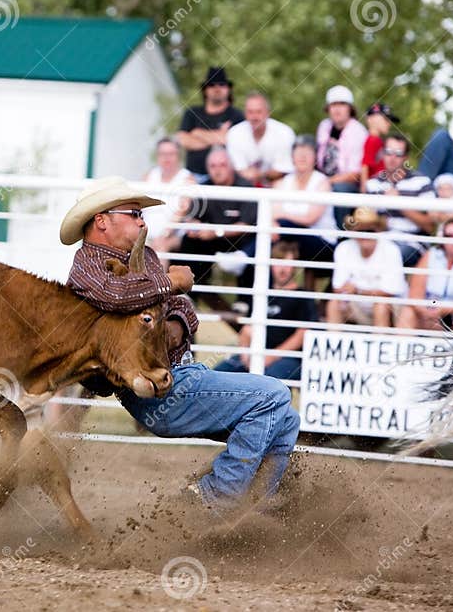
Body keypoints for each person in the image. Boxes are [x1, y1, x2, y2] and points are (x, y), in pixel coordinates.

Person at [60, 176, 300, 514]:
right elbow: (116, 296)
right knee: (273, 395)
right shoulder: (87, 266)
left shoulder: (143, 258)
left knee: (286, 419)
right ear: (101, 220)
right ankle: (213, 497)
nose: (142, 219)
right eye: (134, 213)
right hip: (158, 388)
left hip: (182, 377)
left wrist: (173, 325)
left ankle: (254, 509)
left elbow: (183, 307)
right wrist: (170, 282)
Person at [214, 241, 316, 381]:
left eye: (287, 263)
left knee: (268, 381)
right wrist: (246, 356)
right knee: (218, 375)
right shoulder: (262, 294)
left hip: (289, 358)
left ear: (294, 266)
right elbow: (247, 330)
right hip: (256, 353)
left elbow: (302, 334)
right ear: (271, 265)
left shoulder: (302, 296)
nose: (282, 269)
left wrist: (270, 356)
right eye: (278, 262)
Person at [175, 147, 258, 314]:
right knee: (188, 241)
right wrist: (194, 226)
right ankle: (188, 294)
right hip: (210, 240)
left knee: (253, 246)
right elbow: (192, 216)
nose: (218, 170)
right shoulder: (204, 187)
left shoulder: (246, 187)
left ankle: (244, 300)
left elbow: (246, 226)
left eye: (222, 165)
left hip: (239, 241)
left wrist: (215, 232)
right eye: (213, 166)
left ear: (231, 166)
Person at [396, 218, 453, 334]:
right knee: (408, 312)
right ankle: (403, 349)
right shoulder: (431, 255)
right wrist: (426, 310)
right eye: (448, 236)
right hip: (433, 305)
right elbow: (415, 293)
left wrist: (445, 309)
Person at [273, 135, 337, 289]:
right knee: (273, 237)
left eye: (307, 152)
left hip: (321, 242)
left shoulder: (322, 182)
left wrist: (283, 216)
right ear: (292, 157)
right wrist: (279, 219)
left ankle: (244, 258)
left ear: (315, 157)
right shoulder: (283, 182)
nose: (302, 156)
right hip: (288, 240)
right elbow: (271, 215)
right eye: (298, 152)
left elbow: (310, 218)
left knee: (281, 227)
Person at [326, 208, 407, 328]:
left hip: (389, 308)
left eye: (369, 230)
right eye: (360, 231)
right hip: (357, 305)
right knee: (334, 304)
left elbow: (390, 291)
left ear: (378, 230)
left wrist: (358, 290)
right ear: (353, 231)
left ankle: (379, 343)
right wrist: (370, 292)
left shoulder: (391, 250)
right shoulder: (343, 248)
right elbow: (338, 287)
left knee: (381, 306)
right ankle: (332, 341)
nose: (365, 235)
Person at [365, 134, 436, 266]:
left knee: (391, 257)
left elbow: (430, 226)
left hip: (412, 242)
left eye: (398, 154)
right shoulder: (373, 183)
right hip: (380, 240)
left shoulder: (422, 182)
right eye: (388, 152)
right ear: (382, 154)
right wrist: (378, 222)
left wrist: (399, 204)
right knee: (349, 251)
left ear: (405, 157)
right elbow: (366, 223)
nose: (392, 158)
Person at [177, 67, 245, 178]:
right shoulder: (192, 113)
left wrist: (197, 133)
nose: (217, 88)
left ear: (228, 89)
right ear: (205, 89)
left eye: (222, 84)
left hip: (228, 178)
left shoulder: (237, 115)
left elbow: (235, 141)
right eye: (212, 85)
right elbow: (183, 140)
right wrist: (219, 136)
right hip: (195, 177)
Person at [316, 85, 367, 227]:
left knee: (339, 190)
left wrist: (328, 182)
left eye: (342, 104)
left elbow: (355, 174)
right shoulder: (324, 126)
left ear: (350, 108)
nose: (337, 109)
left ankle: (340, 236)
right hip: (324, 179)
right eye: (333, 105)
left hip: (349, 186)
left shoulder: (357, 131)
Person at [225, 92, 295, 187]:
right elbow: (239, 169)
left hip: (277, 186)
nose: (254, 117)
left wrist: (260, 174)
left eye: (259, 112)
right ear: (245, 113)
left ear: (268, 113)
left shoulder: (284, 133)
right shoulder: (234, 133)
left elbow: (284, 170)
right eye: (250, 112)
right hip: (244, 186)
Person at [142, 137, 195, 254]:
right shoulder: (149, 176)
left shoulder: (186, 178)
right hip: (145, 233)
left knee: (160, 249)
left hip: (173, 234)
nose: (166, 158)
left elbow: (182, 211)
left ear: (178, 155)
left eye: (171, 154)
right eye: (162, 154)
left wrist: (164, 234)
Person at [360, 102, 400, 191]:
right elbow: (365, 167)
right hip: (375, 187)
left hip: (381, 185)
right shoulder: (372, 140)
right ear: (371, 119)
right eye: (385, 119)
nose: (389, 123)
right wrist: (363, 193)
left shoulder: (378, 141)